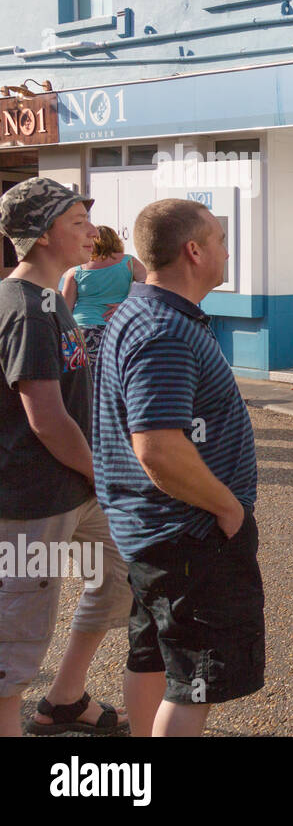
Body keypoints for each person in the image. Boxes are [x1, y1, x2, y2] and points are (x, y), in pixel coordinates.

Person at [95, 199, 263, 737]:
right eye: (218, 238)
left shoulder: (143, 312)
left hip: (155, 536)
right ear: (193, 251)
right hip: (186, 537)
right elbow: (158, 447)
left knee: (152, 657)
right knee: (195, 681)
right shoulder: (164, 328)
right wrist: (228, 508)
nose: (227, 248)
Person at [0, 178, 131, 738]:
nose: (92, 232)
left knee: (118, 574)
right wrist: (102, 473)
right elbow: (47, 420)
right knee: (19, 630)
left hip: (72, 489)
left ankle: (65, 699)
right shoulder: (26, 309)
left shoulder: (52, 298)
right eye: (78, 221)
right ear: (45, 234)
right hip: (32, 499)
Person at [59, 226, 145, 375]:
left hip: (80, 330)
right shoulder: (129, 262)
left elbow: (65, 309)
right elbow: (150, 288)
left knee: (80, 381)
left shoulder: (76, 269)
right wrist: (126, 306)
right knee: (112, 379)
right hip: (116, 327)